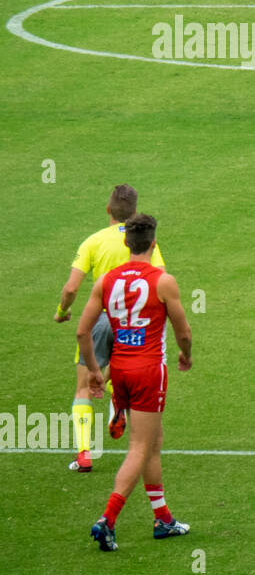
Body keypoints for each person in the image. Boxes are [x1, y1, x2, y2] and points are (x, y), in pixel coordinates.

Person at [82, 215, 193, 551]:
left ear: (126, 243)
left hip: (121, 370)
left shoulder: (105, 281)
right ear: (154, 243)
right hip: (148, 372)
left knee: (153, 442)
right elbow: (183, 331)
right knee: (140, 448)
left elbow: (81, 331)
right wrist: (186, 355)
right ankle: (108, 520)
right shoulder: (163, 281)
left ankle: (163, 518)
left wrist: (93, 370)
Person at [56, 184, 165, 472]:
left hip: (101, 318)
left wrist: (61, 312)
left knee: (83, 387)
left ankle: (83, 455)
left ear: (108, 210)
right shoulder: (142, 241)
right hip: (133, 321)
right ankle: (118, 408)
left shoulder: (93, 242)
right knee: (123, 371)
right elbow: (160, 278)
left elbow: (70, 289)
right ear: (134, 212)